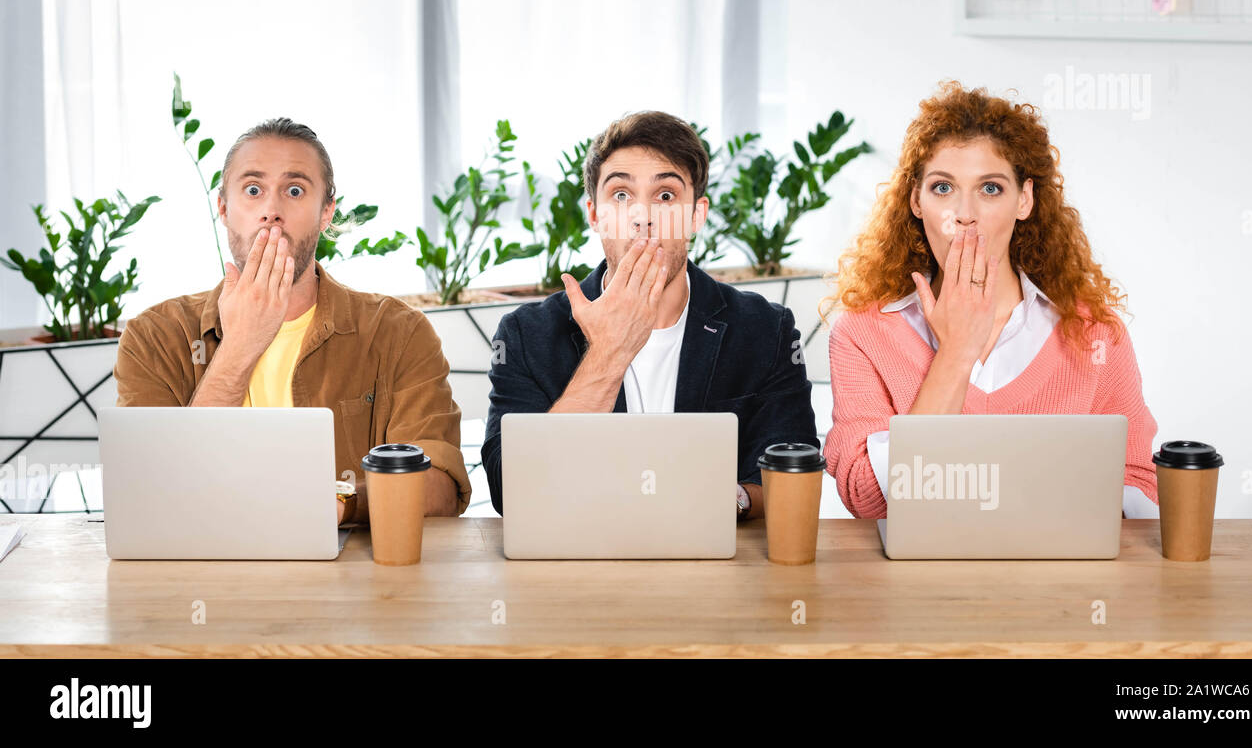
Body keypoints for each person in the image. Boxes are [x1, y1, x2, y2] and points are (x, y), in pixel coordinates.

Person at [822, 81, 1159, 520]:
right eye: (942, 188)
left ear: (1025, 200)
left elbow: (1138, 487)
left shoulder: (1095, 333)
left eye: (991, 189)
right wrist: (957, 353)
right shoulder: (861, 333)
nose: (965, 213)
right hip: (915, 586)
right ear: (916, 202)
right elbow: (868, 501)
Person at [113, 118, 471, 524]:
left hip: (351, 582)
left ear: (325, 213)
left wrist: (335, 504)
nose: (272, 211)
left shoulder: (399, 332)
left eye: (295, 190)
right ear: (224, 209)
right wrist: (241, 345)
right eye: (253, 190)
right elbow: (150, 494)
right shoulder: (153, 337)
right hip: (204, 575)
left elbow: (440, 489)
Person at [482, 111, 818, 519]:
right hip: (579, 565)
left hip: (719, 568)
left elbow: (794, 471)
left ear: (696, 215)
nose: (643, 216)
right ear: (595, 214)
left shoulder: (766, 330)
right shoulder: (525, 335)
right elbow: (510, 491)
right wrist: (609, 353)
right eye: (621, 195)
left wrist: (728, 499)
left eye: (665, 196)